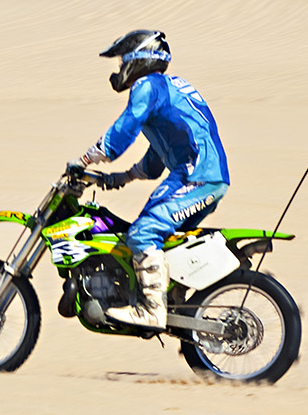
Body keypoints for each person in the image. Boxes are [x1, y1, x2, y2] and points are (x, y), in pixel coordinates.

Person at [71, 29, 230, 329]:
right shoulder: (165, 88)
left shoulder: (147, 86)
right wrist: (123, 177)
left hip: (197, 176)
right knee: (160, 239)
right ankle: (175, 301)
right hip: (199, 174)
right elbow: (157, 158)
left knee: (143, 234)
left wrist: (86, 159)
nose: (119, 70)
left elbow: (124, 128)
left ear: (138, 59)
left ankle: (151, 310)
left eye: (122, 61)